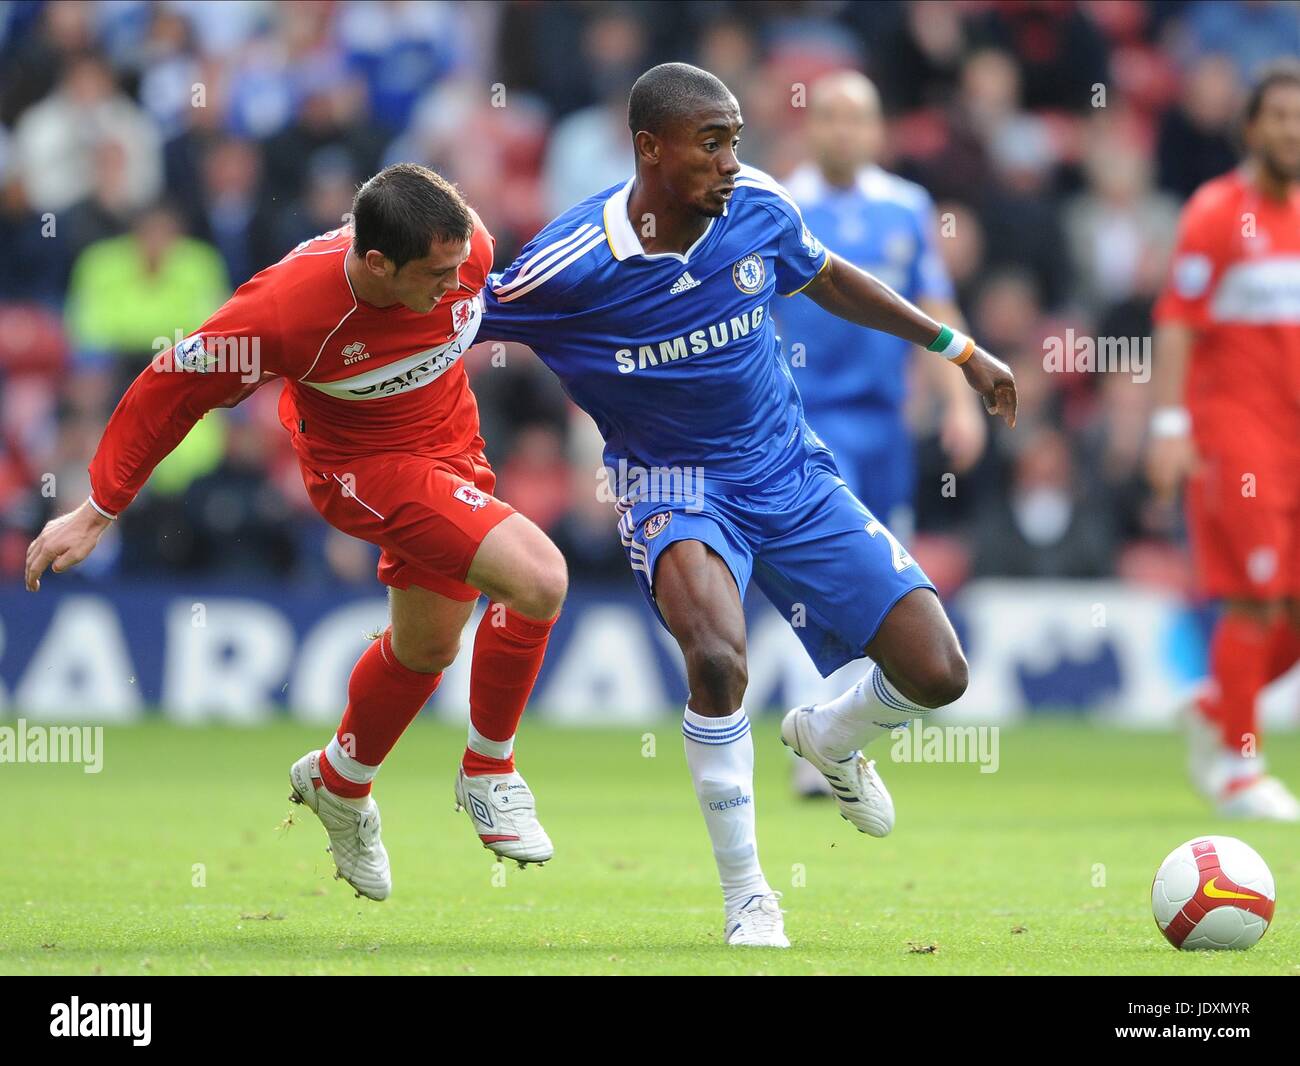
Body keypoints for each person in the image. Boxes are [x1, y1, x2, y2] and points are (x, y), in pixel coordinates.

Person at [478, 63, 1016, 947]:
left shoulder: (759, 204)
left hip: (790, 474)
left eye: (736, 139)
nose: (734, 160)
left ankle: (830, 737)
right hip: (674, 488)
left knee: (939, 673)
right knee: (720, 659)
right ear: (649, 148)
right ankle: (749, 894)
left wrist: (957, 349)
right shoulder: (569, 264)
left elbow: (829, 276)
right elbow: (456, 315)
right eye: (713, 142)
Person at [24, 164, 568, 898]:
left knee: (427, 647)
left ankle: (339, 782)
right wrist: (99, 507)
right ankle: (489, 771)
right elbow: (169, 389)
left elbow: (480, 275)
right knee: (539, 579)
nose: (455, 284)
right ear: (376, 263)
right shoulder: (282, 312)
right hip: (365, 468)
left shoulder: (466, 247)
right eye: (433, 276)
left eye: (457, 266)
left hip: (455, 455)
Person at [777, 70, 987, 797]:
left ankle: (842, 735)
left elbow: (930, 302)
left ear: (876, 131)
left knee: (883, 583)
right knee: (830, 581)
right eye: (829, 117)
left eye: (857, 119)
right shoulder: (780, 203)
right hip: (802, 421)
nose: (843, 131)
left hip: (884, 423)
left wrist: (957, 400)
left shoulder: (907, 207)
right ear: (811, 127)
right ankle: (816, 747)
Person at [1148, 61, 1300, 821]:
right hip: (1239, 442)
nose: (1292, 130)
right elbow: (1176, 318)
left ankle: (1215, 704)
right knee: (1254, 601)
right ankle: (1241, 770)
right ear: (1251, 128)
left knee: (1292, 616)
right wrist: (1171, 425)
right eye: (1279, 115)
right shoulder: (1218, 211)